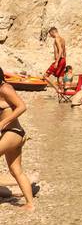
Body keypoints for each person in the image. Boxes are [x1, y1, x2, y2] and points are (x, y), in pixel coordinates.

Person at [0, 69, 36, 210]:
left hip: (13, 132)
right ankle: (30, 204)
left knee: (16, 170)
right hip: (9, 133)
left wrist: (3, 123)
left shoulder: (5, 88)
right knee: (16, 170)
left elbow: (22, 107)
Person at [44, 27, 67, 91]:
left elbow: (61, 50)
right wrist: (64, 62)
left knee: (45, 76)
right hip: (63, 60)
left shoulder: (57, 39)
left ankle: (56, 88)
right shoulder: (63, 39)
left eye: (50, 35)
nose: (51, 36)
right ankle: (62, 91)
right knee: (60, 78)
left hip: (59, 60)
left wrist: (57, 62)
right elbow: (65, 52)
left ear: (52, 32)